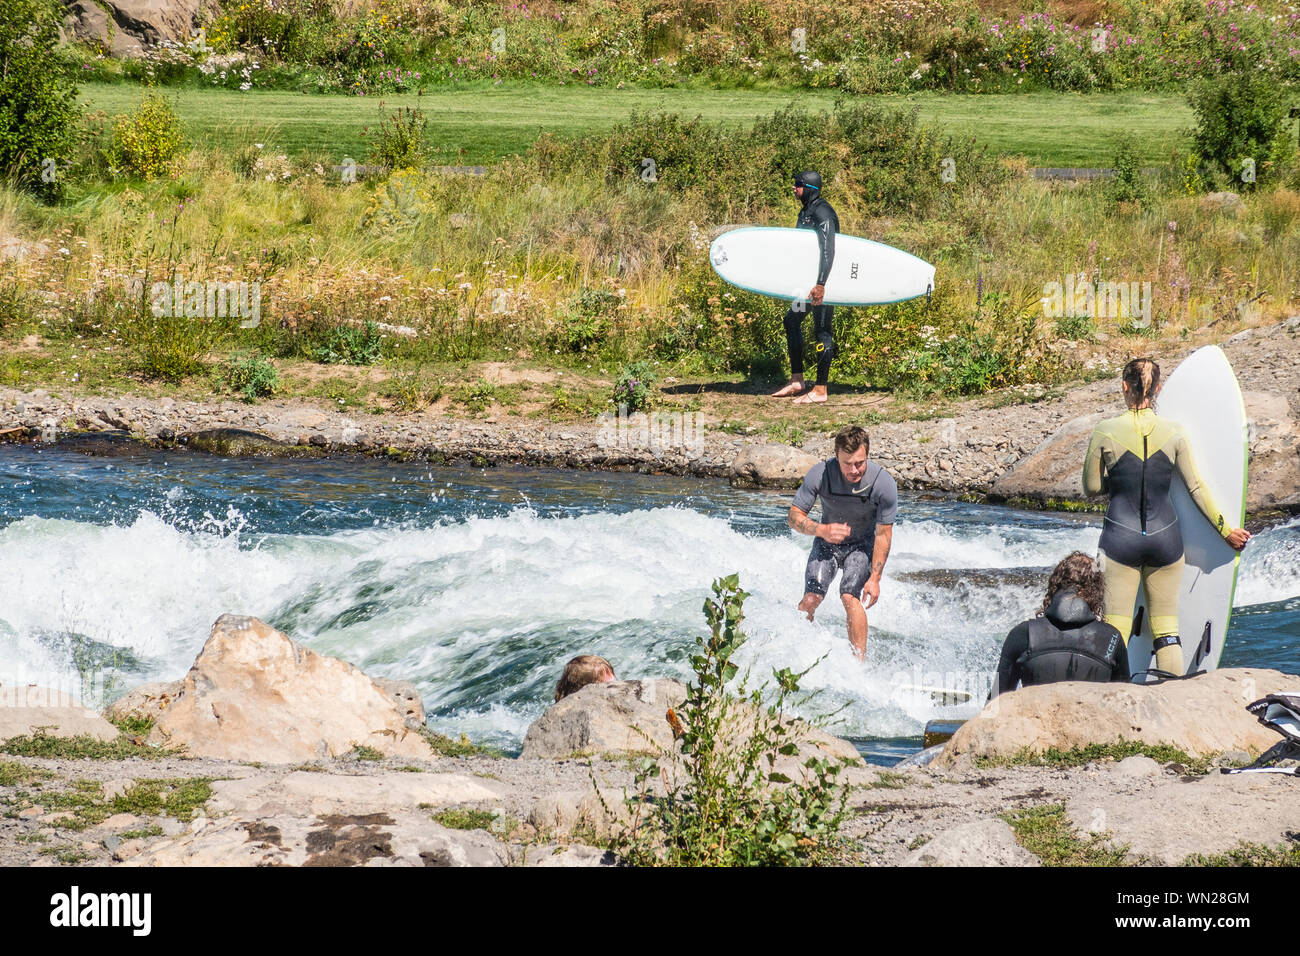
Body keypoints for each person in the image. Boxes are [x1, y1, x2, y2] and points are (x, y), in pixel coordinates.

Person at [1082, 357, 1250, 675]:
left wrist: (1116, 479)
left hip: (1120, 539)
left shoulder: (1105, 431)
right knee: (1166, 630)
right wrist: (1226, 531)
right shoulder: (1174, 432)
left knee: (1114, 629)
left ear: (1124, 386)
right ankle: (1170, 699)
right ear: (1158, 389)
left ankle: (1107, 699)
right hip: (1166, 539)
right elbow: (1196, 488)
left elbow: (1091, 487)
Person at [787, 425, 897, 660]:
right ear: (836, 456)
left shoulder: (883, 483)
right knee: (811, 598)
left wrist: (875, 579)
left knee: (849, 596)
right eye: (848, 464)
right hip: (826, 543)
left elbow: (883, 534)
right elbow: (793, 517)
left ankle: (859, 664)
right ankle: (794, 653)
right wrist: (821, 530)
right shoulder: (821, 473)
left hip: (861, 547)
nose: (855, 470)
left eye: (860, 462)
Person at [990, 552, 1129, 699]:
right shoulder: (1112, 638)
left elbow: (995, 700)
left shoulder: (1024, 633)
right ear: (1096, 593)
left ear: (1055, 586)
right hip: (1088, 720)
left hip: (1037, 719)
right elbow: (1124, 701)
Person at [770, 170, 840, 405]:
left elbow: (829, 250)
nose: (794, 188)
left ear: (809, 188)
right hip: (806, 286)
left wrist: (821, 284)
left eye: (797, 185)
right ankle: (798, 380)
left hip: (823, 285)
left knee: (822, 331)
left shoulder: (823, 213)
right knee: (791, 321)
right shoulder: (806, 211)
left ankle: (820, 389)